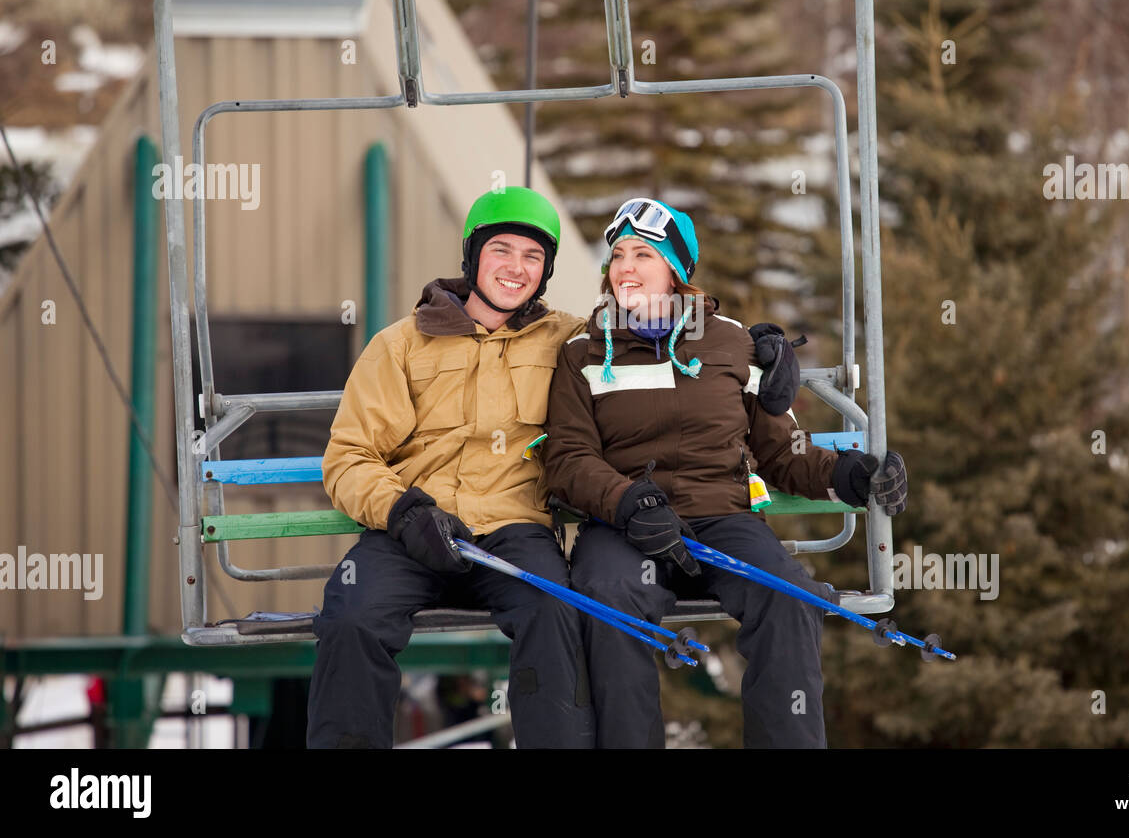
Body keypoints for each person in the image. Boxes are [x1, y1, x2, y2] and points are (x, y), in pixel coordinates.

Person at [306, 187, 801, 748]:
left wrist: (759, 347)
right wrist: (402, 511)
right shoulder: (400, 345)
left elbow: (655, 329)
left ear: (545, 273)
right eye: (503, 250)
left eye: (533, 257)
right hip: (415, 530)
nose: (516, 269)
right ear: (472, 256)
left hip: (515, 533)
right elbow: (348, 457)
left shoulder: (570, 341)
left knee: (557, 611)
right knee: (350, 618)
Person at [544, 197, 908, 748]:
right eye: (617, 255)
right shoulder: (582, 353)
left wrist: (854, 476)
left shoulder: (731, 342)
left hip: (721, 518)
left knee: (789, 597)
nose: (625, 268)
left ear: (676, 270)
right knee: (608, 596)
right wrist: (626, 503)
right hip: (626, 526)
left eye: (643, 254)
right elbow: (568, 459)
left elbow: (782, 452)